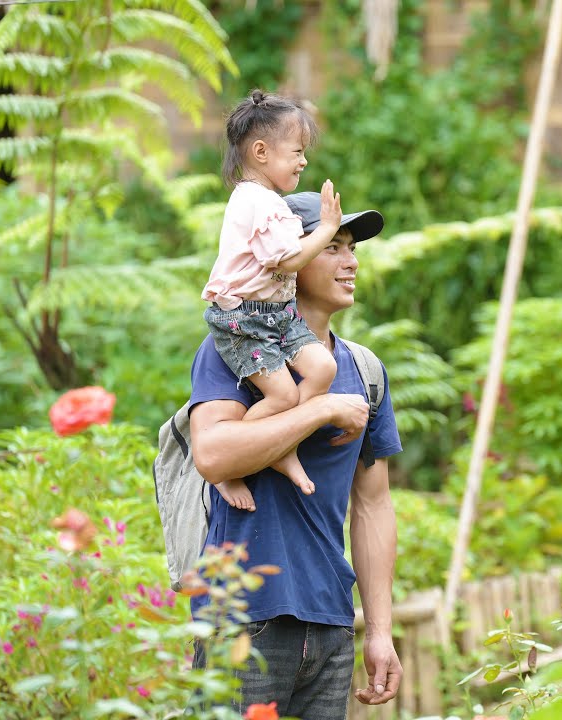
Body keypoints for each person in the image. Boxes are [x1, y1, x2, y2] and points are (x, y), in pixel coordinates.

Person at [188, 190, 402, 717]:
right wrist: (319, 410)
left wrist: (379, 632)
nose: (350, 262)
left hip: (331, 621)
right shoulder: (235, 351)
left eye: (352, 248)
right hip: (244, 617)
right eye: (333, 246)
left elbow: (373, 506)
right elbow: (212, 455)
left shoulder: (365, 370)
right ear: (290, 258)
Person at [202, 89, 345, 510]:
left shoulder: (270, 203)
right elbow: (289, 259)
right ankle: (233, 466)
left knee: (322, 366)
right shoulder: (254, 202)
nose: (303, 161)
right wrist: (326, 229)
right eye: (297, 152)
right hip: (244, 319)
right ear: (261, 152)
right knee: (282, 395)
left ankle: (282, 443)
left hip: (279, 315)